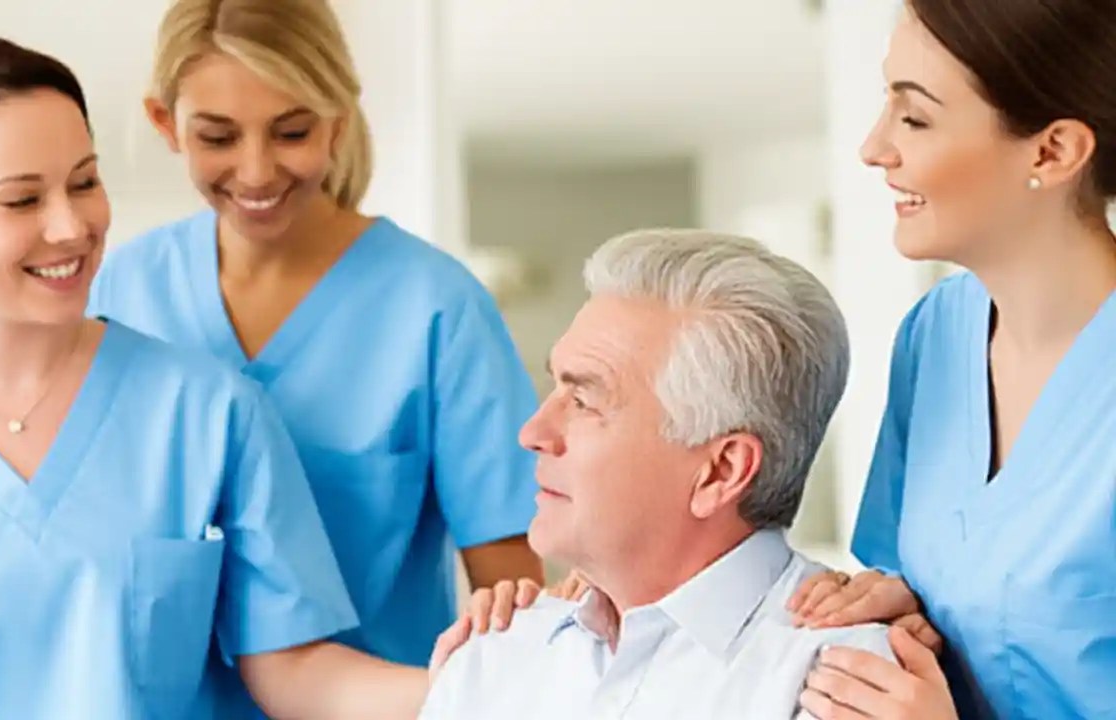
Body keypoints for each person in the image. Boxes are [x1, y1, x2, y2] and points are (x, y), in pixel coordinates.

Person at [0, 32, 442, 720]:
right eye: (22, 201)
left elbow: (293, 669)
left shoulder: (209, 414)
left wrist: (479, 690)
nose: (72, 226)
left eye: (85, 182)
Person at [87, 0, 543, 682]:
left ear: (339, 116)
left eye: (291, 131)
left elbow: (509, 594)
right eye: (218, 137)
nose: (257, 170)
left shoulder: (436, 307)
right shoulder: (121, 293)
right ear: (166, 125)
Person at [421, 229, 902, 718]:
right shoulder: (494, 656)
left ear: (721, 470)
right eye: (556, 389)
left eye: (584, 402)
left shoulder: (848, 683)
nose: (533, 432)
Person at [788, 1, 1116, 718]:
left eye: (916, 118)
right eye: (887, 106)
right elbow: (916, 572)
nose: (875, 148)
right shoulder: (936, 335)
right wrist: (906, 606)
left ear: (1052, 151)